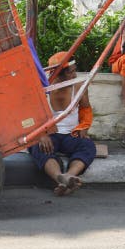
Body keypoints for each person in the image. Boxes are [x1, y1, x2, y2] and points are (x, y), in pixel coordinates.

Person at [28, 51, 96, 196]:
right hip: (49, 135)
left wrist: (84, 126)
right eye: (71, 72)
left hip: (71, 135)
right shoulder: (41, 87)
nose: (75, 75)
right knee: (37, 146)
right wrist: (40, 135)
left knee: (88, 146)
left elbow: (86, 109)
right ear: (59, 74)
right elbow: (30, 116)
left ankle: (69, 176)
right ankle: (59, 177)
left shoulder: (78, 87)